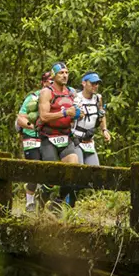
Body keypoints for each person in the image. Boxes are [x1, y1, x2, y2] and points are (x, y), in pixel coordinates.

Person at [38, 61, 81, 207]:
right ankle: (41, 201)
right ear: (54, 75)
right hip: (49, 137)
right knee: (52, 175)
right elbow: (43, 116)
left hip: (65, 136)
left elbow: (75, 111)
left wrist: (78, 114)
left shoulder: (71, 92)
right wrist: (64, 113)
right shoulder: (46, 92)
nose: (64, 75)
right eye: (61, 73)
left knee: (73, 171)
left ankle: (57, 202)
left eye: (66, 73)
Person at [16, 72, 52, 212]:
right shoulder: (33, 98)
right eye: (49, 81)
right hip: (32, 137)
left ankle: (44, 201)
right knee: (34, 169)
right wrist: (33, 126)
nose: (51, 84)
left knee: (49, 170)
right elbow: (21, 119)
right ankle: (29, 202)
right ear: (43, 83)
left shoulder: (58, 96)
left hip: (48, 138)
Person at [73, 71, 111, 167]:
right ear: (84, 83)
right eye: (93, 83)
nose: (96, 86)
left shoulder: (98, 98)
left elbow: (101, 114)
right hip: (76, 140)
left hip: (89, 141)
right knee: (79, 170)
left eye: (97, 83)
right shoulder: (76, 98)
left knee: (95, 171)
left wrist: (104, 129)